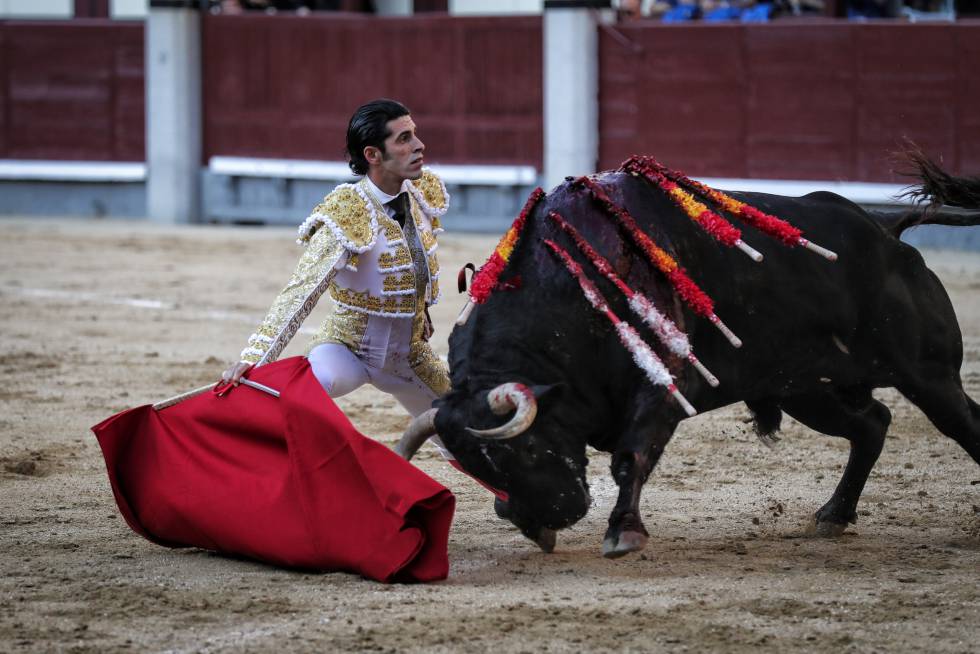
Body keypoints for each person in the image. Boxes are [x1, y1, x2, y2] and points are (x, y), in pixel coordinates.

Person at [222, 98, 451, 445]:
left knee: (467, 436)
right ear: (373, 155)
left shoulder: (421, 191)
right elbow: (302, 289)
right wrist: (253, 361)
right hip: (347, 350)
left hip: (410, 355)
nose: (418, 145)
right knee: (293, 399)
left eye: (414, 134)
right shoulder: (347, 211)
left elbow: (415, 262)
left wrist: (423, 311)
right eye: (403, 138)